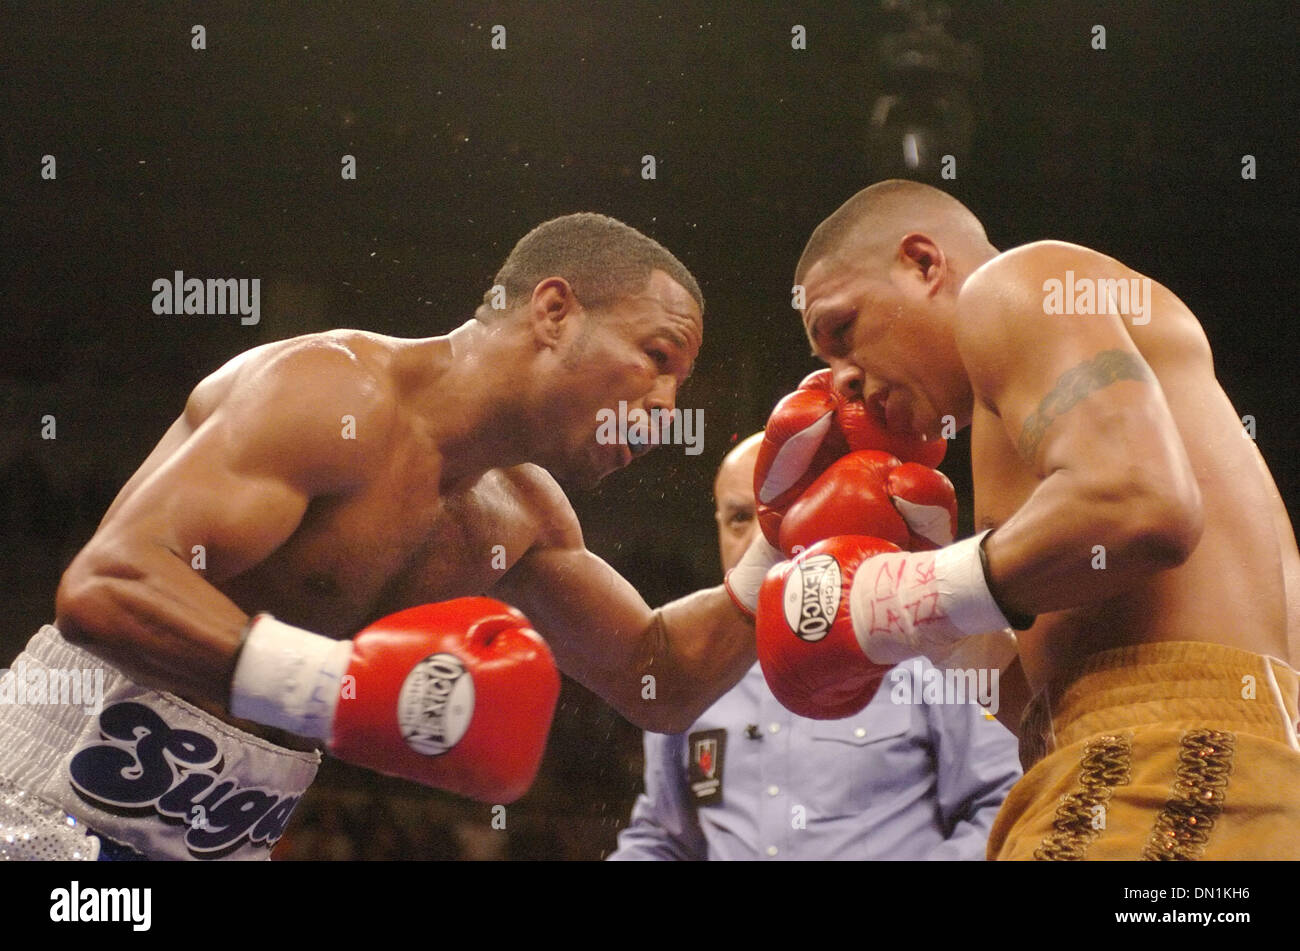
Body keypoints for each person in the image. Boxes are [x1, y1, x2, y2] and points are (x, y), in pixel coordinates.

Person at [0, 213, 764, 861]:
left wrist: (792, 537)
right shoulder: (334, 394)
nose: (665, 406)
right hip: (40, 813)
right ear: (554, 310)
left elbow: (656, 675)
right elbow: (104, 588)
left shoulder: (521, 517)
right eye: (656, 358)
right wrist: (335, 686)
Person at [752, 179, 1300, 859]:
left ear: (923, 263)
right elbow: (1055, 702)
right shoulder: (1028, 440)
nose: (844, 380)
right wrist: (934, 628)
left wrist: (898, 596)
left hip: (1170, 782)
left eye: (842, 329)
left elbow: (1140, 502)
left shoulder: (1017, 284)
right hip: (1173, 775)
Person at [609, 433, 1021, 860]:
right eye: (738, 518)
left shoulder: (918, 644)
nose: (757, 543)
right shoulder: (694, 667)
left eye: (779, 516)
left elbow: (1000, 807)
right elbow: (665, 838)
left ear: (823, 512)